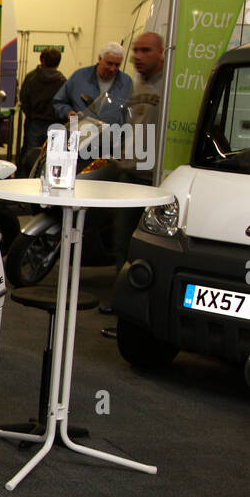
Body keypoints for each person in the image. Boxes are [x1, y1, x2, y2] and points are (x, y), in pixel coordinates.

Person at [101, 31, 166, 314]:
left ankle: (149, 305)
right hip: (130, 172)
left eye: (146, 50)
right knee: (122, 240)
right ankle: (123, 300)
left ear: (162, 53)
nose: (138, 56)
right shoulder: (135, 83)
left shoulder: (172, 83)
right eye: (136, 50)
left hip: (157, 178)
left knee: (153, 246)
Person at [53, 42, 132, 126]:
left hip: (111, 136)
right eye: (109, 63)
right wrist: (68, 112)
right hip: (81, 134)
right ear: (99, 58)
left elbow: (131, 112)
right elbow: (59, 102)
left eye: (117, 65)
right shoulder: (79, 77)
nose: (112, 69)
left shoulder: (126, 82)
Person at [18, 48, 67, 173]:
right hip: (55, 125)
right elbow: (65, 103)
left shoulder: (31, 77)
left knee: (31, 156)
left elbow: (24, 99)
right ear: (59, 62)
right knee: (53, 157)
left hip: (35, 123)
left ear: (42, 60)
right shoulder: (63, 81)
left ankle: (26, 183)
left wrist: (31, 116)